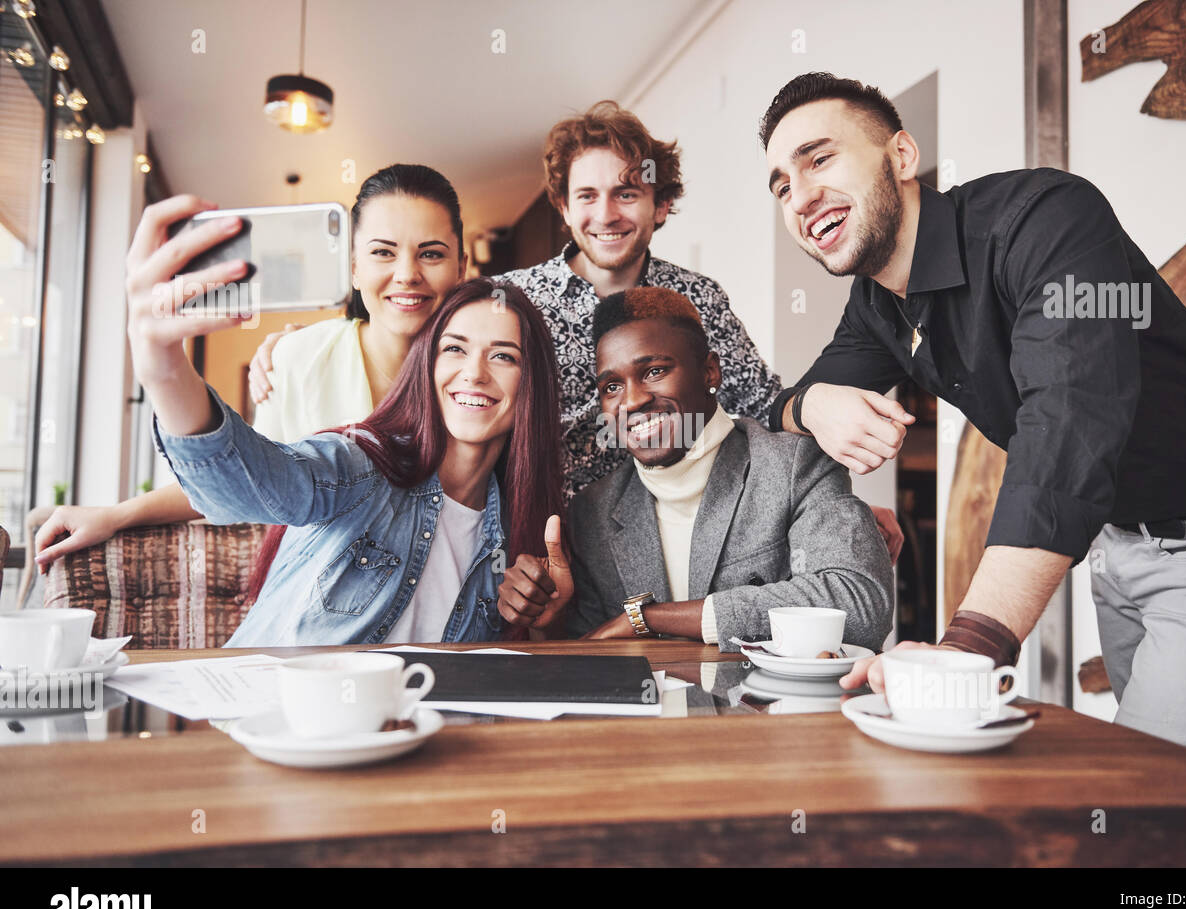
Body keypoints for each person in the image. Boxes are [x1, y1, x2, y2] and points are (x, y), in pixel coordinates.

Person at [760, 72, 1186, 758]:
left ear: (900, 156)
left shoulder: (1047, 218)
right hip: (1119, 541)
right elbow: (778, 409)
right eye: (780, 184)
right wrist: (812, 404)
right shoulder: (877, 305)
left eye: (819, 158)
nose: (801, 195)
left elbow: (1069, 420)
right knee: (1171, 780)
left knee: (1149, 790)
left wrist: (968, 649)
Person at [246, 102, 904, 553]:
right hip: (531, 541)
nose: (607, 213)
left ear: (660, 203)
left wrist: (834, 513)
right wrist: (301, 343)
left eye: (627, 192)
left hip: (673, 539)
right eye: (586, 196)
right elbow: (428, 355)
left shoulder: (698, 298)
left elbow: (761, 408)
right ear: (562, 207)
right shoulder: (512, 296)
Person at [125, 195, 570, 646]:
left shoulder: (516, 534)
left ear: (530, 383)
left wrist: (544, 620)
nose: (474, 372)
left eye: (502, 356)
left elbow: (507, 683)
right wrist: (162, 367)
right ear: (426, 367)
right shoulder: (361, 465)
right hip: (279, 709)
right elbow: (245, 483)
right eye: (454, 348)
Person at [34, 163, 467, 572]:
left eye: (431, 254)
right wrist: (117, 514)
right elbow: (250, 479)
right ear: (353, 268)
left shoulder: (487, 374)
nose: (407, 273)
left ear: (461, 268)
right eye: (383, 253)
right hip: (322, 605)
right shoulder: (297, 358)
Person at [502, 287, 893, 648]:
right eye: (612, 386)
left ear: (710, 372)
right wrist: (544, 620)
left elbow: (860, 605)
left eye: (654, 371)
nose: (633, 400)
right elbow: (590, 650)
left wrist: (650, 618)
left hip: (768, 718)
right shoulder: (595, 511)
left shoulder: (796, 464)